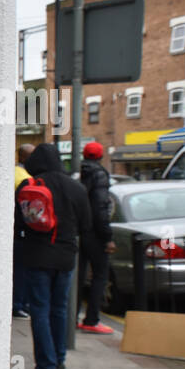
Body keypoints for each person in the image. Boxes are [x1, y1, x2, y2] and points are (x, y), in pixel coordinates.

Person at [15, 142, 92, 369]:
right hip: (66, 257)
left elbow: (20, 224)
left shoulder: (30, 186)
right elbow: (86, 224)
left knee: (39, 311)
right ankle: (58, 361)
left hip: (37, 256)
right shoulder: (76, 188)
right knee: (59, 310)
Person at [77, 141, 116, 334]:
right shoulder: (100, 174)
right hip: (95, 233)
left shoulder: (79, 173)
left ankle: (73, 317)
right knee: (100, 275)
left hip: (80, 231)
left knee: (79, 275)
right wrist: (107, 237)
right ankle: (92, 320)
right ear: (101, 157)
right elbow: (101, 208)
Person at [12, 143, 35, 319]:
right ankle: (18, 305)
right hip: (20, 231)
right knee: (21, 270)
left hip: (13, 229)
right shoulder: (25, 178)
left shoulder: (12, 172)